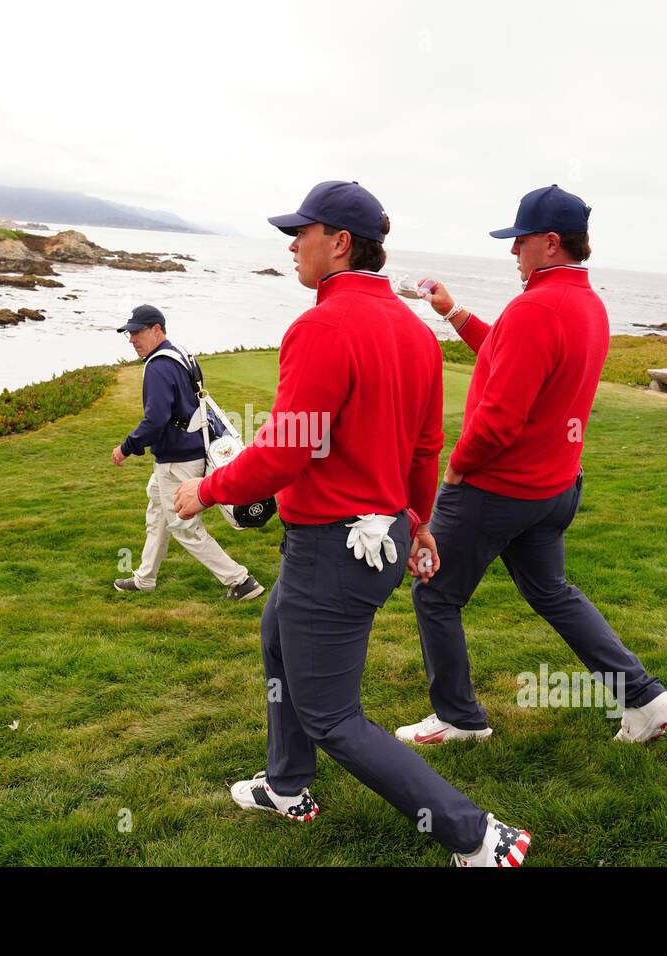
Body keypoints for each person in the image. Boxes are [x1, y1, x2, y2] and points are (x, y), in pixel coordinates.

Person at [174, 181, 531, 867]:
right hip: (383, 535)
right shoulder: (414, 332)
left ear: (339, 244)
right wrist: (417, 519)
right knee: (277, 635)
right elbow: (425, 449)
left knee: (331, 715)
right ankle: (286, 785)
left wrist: (209, 490)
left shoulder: (320, 326)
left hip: (334, 549)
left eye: (302, 232)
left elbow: (287, 447)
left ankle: (478, 837)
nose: (291, 243)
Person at [396, 184, 667, 748]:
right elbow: (508, 353)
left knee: (436, 594)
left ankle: (459, 719)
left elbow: (500, 417)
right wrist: (452, 312)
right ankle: (645, 698)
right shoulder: (587, 302)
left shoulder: (535, 306)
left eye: (520, 241)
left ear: (549, 243)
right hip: (555, 489)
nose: (513, 252)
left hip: (498, 489)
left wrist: (455, 472)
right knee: (552, 592)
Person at [111, 304, 262, 601]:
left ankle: (240, 580)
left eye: (137, 332)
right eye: (129, 334)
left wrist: (126, 448)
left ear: (157, 330)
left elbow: (155, 421)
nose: (132, 340)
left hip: (176, 460)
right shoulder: (181, 353)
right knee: (157, 513)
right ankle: (145, 578)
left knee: (184, 527)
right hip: (191, 448)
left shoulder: (157, 366)